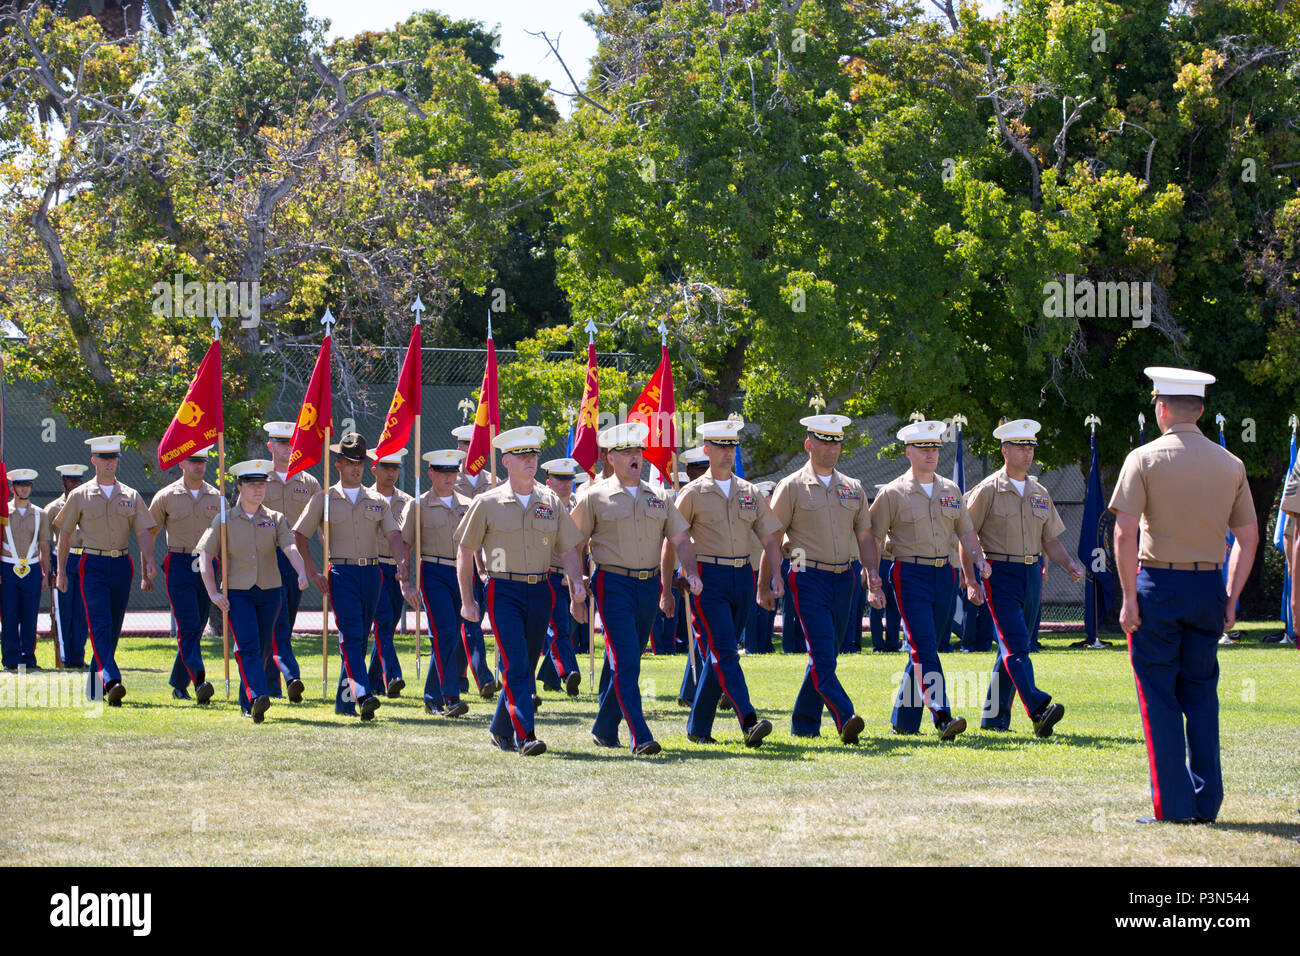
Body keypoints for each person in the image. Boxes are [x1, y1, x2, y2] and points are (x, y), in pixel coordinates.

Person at [1109, 367, 1257, 824]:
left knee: (1159, 696)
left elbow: (1124, 532)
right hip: (1208, 586)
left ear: (1162, 408)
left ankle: (1173, 806)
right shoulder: (1231, 464)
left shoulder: (1143, 459)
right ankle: (1206, 802)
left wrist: (1129, 597)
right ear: (1202, 410)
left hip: (1158, 584)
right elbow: (1248, 539)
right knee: (1201, 695)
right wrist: (1230, 597)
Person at [455, 425, 588, 755]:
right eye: (522, 455)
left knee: (524, 665)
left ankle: (500, 729)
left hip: (541, 590)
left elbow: (569, 548)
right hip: (503, 591)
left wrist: (576, 586)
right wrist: (467, 599)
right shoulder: (487, 502)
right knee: (515, 664)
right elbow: (466, 550)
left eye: (533, 455)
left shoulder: (550, 502)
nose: (530, 461)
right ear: (506, 461)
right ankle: (525, 735)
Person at [573, 421, 700, 755]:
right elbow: (573, 544)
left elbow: (680, 538)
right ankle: (640, 734)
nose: (635, 457)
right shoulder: (593, 496)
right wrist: (575, 583)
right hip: (612, 583)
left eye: (637, 451)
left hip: (647, 586)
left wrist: (690, 571)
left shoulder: (658, 496)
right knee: (627, 659)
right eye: (626, 451)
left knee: (627, 661)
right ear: (610, 458)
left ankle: (603, 727)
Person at [761, 415, 879, 744]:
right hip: (806, 575)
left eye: (836, 442)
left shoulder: (853, 488)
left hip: (845, 578)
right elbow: (773, 537)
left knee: (826, 655)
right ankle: (845, 715)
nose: (831, 449)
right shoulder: (792, 486)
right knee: (824, 655)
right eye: (824, 442)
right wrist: (766, 583)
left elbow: (866, 536)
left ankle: (803, 722)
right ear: (808, 445)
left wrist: (873, 576)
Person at [962, 419, 1084, 735]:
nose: (1027, 453)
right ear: (1005, 450)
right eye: (1020, 446)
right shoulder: (988, 489)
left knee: (1012, 648)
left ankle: (994, 718)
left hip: (1031, 574)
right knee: (1016, 646)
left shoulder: (1039, 491)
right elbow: (966, 535)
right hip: (998, 572)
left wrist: (1069, 563)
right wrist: (971, 580)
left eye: (1030, 447)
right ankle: (1038, 709)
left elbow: (1050, 539)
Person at [667, 419, 784, 747]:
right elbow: (676, 539)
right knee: (726, 651)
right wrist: (678, 578)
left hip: (742, 576)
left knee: (719, 653)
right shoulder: (692, 493)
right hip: (708, 578)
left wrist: (773, 574)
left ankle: (698, 727)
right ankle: (748, 719)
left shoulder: (749, 492)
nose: (727, 452)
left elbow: (770, 537)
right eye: (720, 446)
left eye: (731, 446)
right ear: (707, 450)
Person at [868, 420, 987, 740]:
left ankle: (903, 721)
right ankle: (943, 715)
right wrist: (872, 581)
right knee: (924, 646)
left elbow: (966, 532)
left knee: (926, 647)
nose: (931, 453)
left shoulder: (951, 490)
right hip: (909, 573)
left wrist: (976, 566)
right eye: (923, 448)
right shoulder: (892, 493)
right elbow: (873, 540)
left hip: (944, 575)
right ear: (909, 452)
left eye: (934, 447)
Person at [293, 433, 410, 721]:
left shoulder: (377, 500)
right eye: (349, 462)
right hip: (342, 573)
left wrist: (401, 561)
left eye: (360, 462)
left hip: (372, 573)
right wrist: (311, 571)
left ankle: (344, 703)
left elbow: (393, 533)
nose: (356, 467)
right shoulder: (324, 499)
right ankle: (363, 694)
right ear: (338, 465)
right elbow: (299, 534)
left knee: (360, 640)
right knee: (350, 636)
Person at [198, 460, 309, 722]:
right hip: (238, 593)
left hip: (270, 593)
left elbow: (290, 547)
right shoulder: (224, 519)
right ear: (239, 487)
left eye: (262, 484)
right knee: (247, 646)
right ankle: (259, 695)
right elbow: (205, 553)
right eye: (252, 485)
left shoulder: (274, 518)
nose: (258, 490)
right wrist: (213, 592)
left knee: (260, 650)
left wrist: (301, 571)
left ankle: (247, 703)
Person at [53, 435, 158, 705]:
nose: (110, 463)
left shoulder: (130, 495)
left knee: (111, 629)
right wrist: (62, 572)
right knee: (99, 623)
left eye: (113, 458)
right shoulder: (80, 494)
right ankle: (112, 679)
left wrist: (149, 561)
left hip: (122, 565)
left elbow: (144, 531)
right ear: (94, 461)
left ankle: (95, 688)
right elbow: (64, 535)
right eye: (104, 458)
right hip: (93, 564)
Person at [402, 449, 473, 717]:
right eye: (443, 473)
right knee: (443, 632)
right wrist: (405, 582)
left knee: (451, 635)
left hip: (463, 574)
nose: (449, 478)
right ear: (431, 473)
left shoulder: (468, 504)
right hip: (433, 571)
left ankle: (432, 696)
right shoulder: (417, 505)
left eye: (453, 472)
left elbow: (477, 544)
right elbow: (406, 544)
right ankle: (451, 697)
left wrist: (486, 573)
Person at [149, 448, 222, 703]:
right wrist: (148, 566)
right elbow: (149, 532)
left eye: (202, 461)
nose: (198, 466)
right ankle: (200, 680)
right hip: (179, 562)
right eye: (193, 461)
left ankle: (179, 684)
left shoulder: (216, 496)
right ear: (182, 462)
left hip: (208, 564)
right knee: (188, 625)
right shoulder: (166, 496)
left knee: (197, 627)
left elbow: (226, 536)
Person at [262, 421, 320, 703]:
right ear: (270, 446)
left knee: (286, 619)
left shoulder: (309, 483)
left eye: (291, 442)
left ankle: (270, 681)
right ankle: (289, 675)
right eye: (282, 443)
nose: (288, 448)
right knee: (278, 621)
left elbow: (322, 525)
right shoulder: (258, 479)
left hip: (295, 560)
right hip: (266, 557)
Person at [451, 423, 501, 699]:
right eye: (465, 446)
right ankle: (483, 677)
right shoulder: (449, 480)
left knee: (472, 619)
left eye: (474, 447)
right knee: (470, 620)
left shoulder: (492, 481)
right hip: (459, 562)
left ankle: (459, 677)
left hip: (489, 564)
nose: (469, 452)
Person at [367, 447, 413, 698]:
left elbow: (410, 538)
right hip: (373, 567)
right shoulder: (364, 498)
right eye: (386, 467)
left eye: (395, 468)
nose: (391, 472)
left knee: (389, 624)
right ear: (374, 469)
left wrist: (404, 568)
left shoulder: (406, 502)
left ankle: (374, 680)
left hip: (396, 568)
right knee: (383, 621)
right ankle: (393, 674)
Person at [537, 457, 583, 697]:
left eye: (569, 479)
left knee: (571, 626)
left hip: (574, 576)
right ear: (548, 481)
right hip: (550, 574)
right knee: (559, 627)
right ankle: (568, 672)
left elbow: (583, 541)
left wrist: (580, 575)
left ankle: (549, 676)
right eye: (560, 479)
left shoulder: (579, 504)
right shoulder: (540, 505)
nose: (566, 484)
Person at [1, 469, 50, 672]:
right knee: (9, 614)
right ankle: (11, 659)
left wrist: (46, 573)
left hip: (31, 568)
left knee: (30, 615)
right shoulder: (3, 513)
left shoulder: (40, 514)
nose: (24, 489)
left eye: (27, 485)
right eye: (20, 485)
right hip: (7, 566)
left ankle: (28, 658)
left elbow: (44, 546)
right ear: (12, 488)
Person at [45, 464, 89, 669]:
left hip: (85, 558)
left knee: (82, 612)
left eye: (79, 481)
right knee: (65, 612)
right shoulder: (53, 508)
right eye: (71, 481)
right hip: (65, 559)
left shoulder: (88, 503)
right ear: (63, 482)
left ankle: (78, 656)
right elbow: (45, 541)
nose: (75, 485)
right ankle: (65, 656)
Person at [743, 480, 777, 654]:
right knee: (751, 611)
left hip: (769, 569)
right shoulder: (751, 519)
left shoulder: (772, 518)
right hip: (752, 568)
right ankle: (751, 646)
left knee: (767, 610)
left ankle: (764, 644)